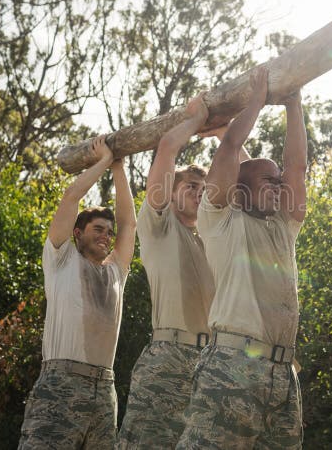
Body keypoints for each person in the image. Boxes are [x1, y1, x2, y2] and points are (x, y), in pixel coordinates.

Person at [176, 67, 307, 449]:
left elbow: (297, 167)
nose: (280, 186)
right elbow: (231, 148)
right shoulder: (219, 220)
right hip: (232, 367)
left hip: (283, 374)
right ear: (240, 190)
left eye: (279, 182)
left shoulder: (282, 227)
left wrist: (294, 104)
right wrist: (258, 97)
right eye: (269, 181)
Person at [18, 136, 136, 449]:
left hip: (104, 389)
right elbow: (71, 198)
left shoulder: (115, 272)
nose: (106, 236)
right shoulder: (61, 259)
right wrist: (101, 162)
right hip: (61, 384)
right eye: (98, 229)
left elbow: (129, 225)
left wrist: (119, 167)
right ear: (77, 233)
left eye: (108, 233)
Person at [117, 94, 218, 448]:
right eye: (190, 187)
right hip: (168, 359)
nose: (199, 194)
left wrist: (225, 133)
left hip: (212, 365)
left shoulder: (211, 239)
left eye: (204, 189)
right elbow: (166, 148)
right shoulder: (159, 226)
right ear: (171, 193)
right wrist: (195, 120)